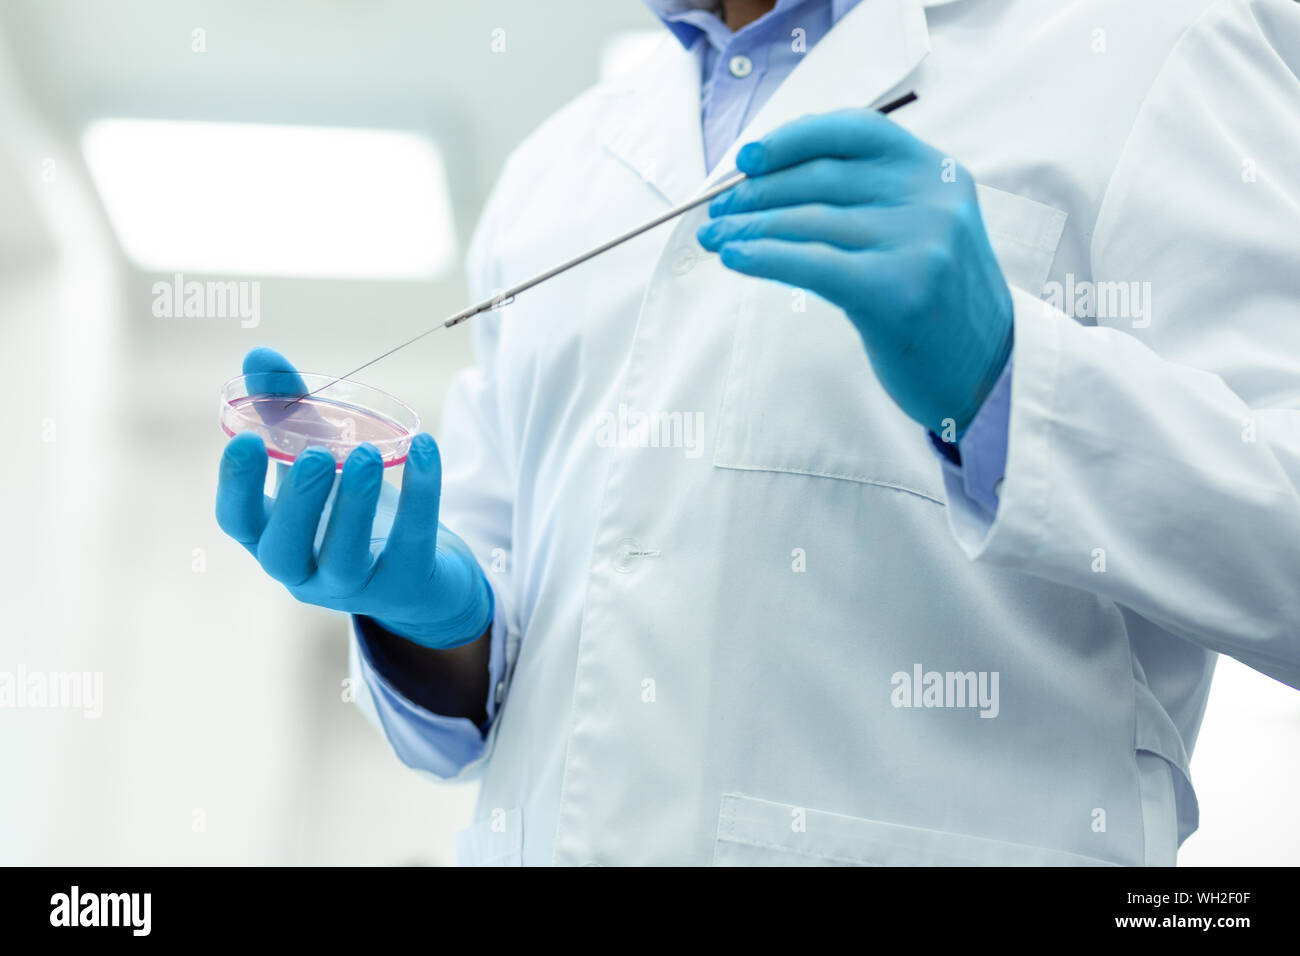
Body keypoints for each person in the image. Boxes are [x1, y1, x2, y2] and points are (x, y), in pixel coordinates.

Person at [216, 0, 1300, 865]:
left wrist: (1009, 373)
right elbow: (514, 654)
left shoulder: (1153, 42)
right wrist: (435, 628)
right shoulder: (552, 172)